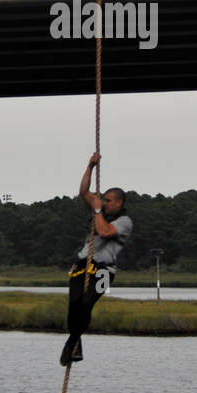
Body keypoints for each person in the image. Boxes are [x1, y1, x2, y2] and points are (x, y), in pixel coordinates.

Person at [60, 152, 132, 366]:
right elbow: (84, 192)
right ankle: (76, 343)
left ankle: (71, 343)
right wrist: (90, 167)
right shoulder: (100, 210)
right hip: (82, 265)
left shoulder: (125, 221)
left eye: (109, 201)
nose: (105, 203)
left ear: (118, 203)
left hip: (104, 271)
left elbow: (103, 232)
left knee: (87, 302)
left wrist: (98, 209)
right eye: (104, 201)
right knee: (74, 305)